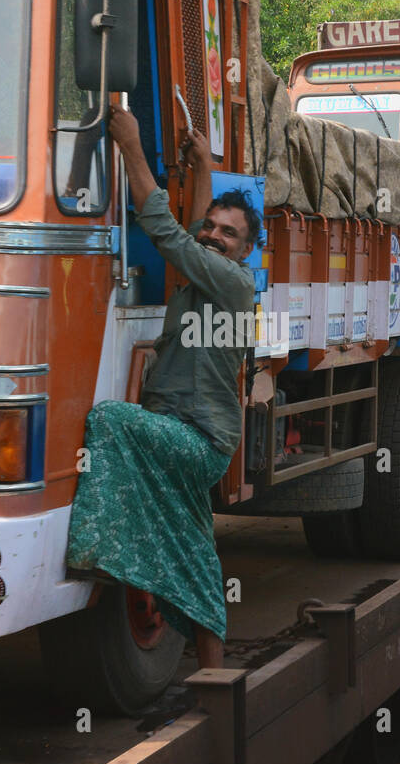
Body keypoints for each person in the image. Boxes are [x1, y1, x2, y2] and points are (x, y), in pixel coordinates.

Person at [66, 104, 258, 670]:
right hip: (193, 438)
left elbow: (172, 234)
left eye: (231, 233)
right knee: (198, 555)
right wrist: (200, 168)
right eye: (215, 229)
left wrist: (130, 145)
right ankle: (214, 670)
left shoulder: (233, 283)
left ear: (246, 251)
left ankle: (101, 555)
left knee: (109, 421)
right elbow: (193, 236)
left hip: (198, 443)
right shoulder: (208, 270)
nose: (217, 236)